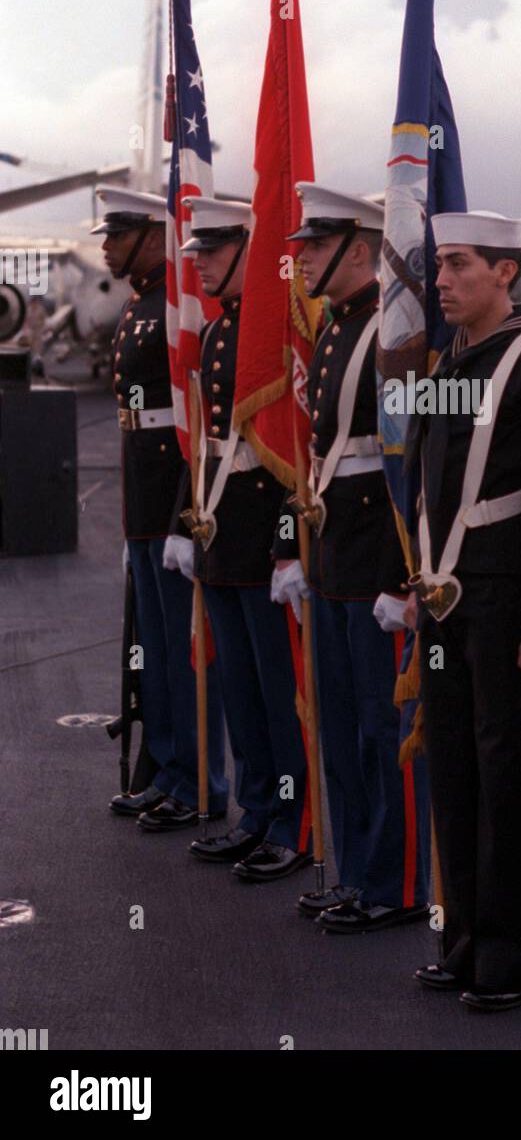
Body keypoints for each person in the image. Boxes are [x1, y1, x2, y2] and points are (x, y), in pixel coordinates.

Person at [405, 210, 521, 1011]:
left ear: (505, 271)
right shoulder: (447, 363)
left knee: (509, 772)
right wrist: (415, 581)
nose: (441, 282)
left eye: (459, 265)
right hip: (445, 600)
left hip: (504, 598)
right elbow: (427, 483)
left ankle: (510, 953)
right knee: (457, 766)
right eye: (438, 268)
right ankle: (463, 938)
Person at [273, 183, 430, 932]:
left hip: (377, 559)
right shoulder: (334, 329)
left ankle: (397, 885)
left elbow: (415, 461)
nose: (299, 257)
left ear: (360, 251)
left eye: (314, 245)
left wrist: (407, 577)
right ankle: (361, 869)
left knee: (382, 728)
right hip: (334, 553)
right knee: (338, 727)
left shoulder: (394, 331)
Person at [173, 196, 311, 881]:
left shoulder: (269, 332)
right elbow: (204, 440)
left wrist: (288, 540)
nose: (199, 266)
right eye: (196, 254)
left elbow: (296, 446)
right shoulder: (222, 331)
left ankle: (291, 823)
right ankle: (255, 813)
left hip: (261, 527)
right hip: (222, 526)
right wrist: (184, 522)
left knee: (276, 689)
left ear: (248, 255)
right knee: (238, 688)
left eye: (215, 252)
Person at [93, 185, 227, 830]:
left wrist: (181, 517)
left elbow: (194, 419)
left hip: (174, 497)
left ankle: (200, 779)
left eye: (118, 235)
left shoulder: (180, 306)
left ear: (154, 234)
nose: (109, 247)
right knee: (155, 645)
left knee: (183, 648)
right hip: (141, 501)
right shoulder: (139, 304)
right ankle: (170, 769)